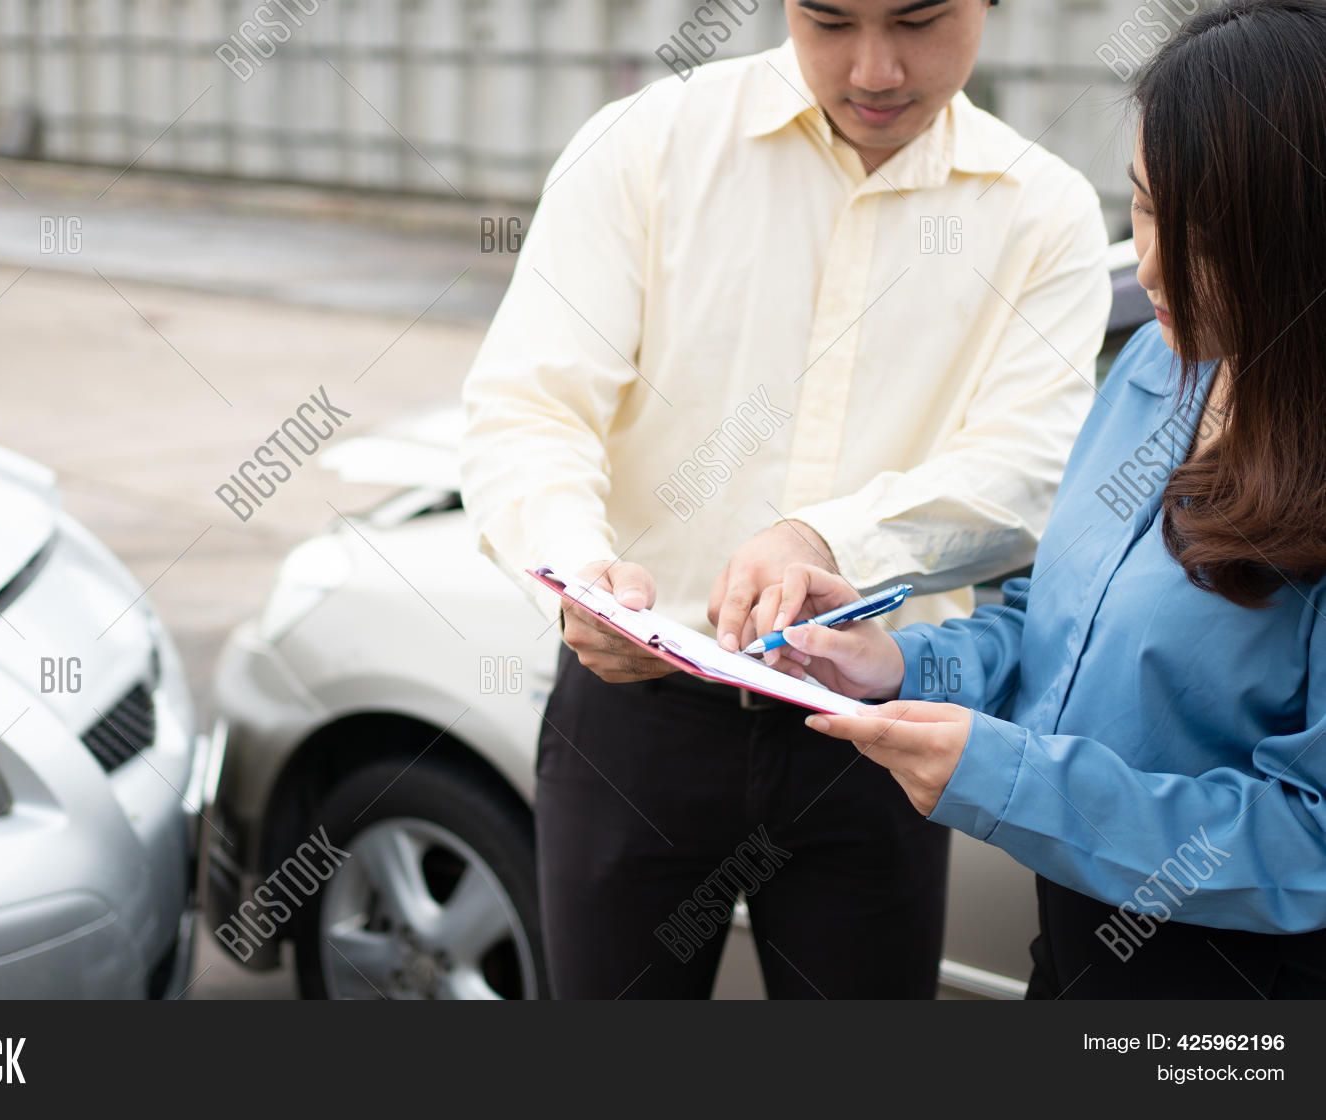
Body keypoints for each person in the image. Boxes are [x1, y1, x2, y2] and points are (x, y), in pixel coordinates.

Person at [460, 0, 1112, 998]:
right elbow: (531, 401)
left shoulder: (1042, 210)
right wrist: (578, 569)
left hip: (877, 729)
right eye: (830, 21)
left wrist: (826, 535)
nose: (876, 69)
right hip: (641, 713)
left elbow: (1035, 465)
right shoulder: (648, 143)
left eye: (919, 20)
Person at [767, 0, 1326, 998]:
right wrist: (904, 661)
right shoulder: (1164, 366)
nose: (1150, 264)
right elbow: (1061, 622)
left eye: (1207, 234)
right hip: (1074, 945)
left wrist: (1012, 782)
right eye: (1147, 207)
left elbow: (1309, 835)